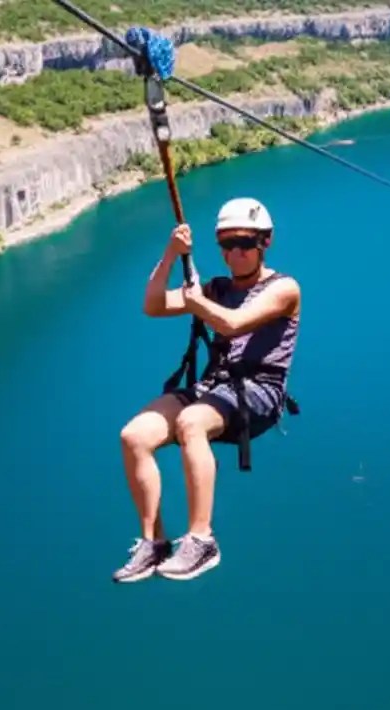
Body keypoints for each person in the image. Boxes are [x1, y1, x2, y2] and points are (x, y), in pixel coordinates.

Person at [113, 197, 302, 583]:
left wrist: (197, 301)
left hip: (258, 392)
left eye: (245, 244)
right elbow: (152, 305)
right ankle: (155, 543)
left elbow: (233, 324)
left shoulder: (284, 289)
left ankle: (201, 540)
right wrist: (171, 255)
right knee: (134, 436)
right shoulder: (216, 288)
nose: (236, 254)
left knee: (191, 422)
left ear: (266, 243)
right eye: (227, 245)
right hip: (215, 385)